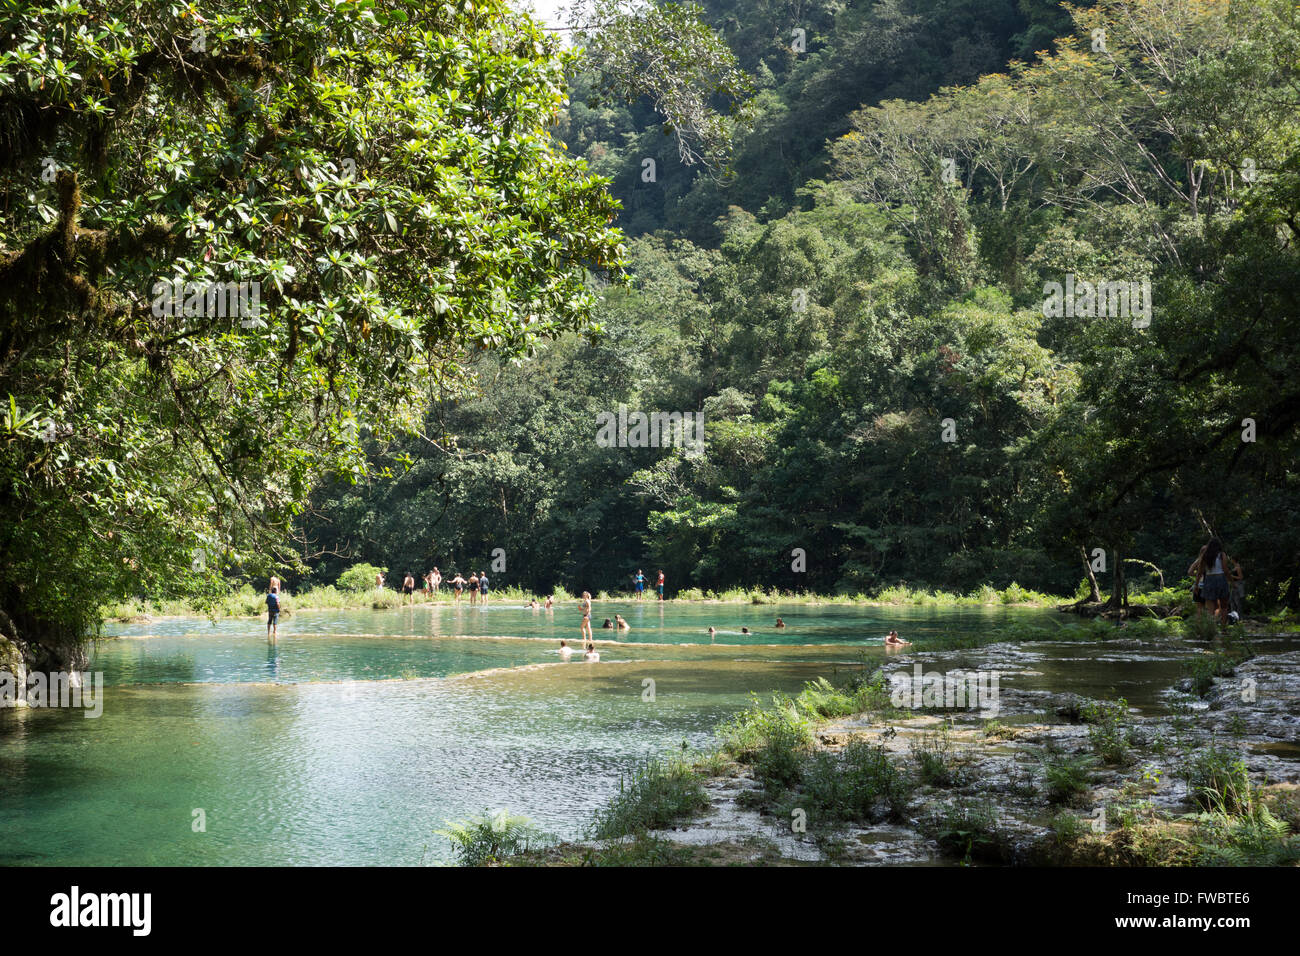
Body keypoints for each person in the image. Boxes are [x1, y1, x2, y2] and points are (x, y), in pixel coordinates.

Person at [1199, 538, 1233, 626]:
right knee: (1224, 607)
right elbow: (1225, 569)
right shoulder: (1222, 555)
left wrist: (1196, 585)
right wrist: (1231, 581)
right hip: (1221, 579)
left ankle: (1211, 628)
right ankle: (1223, 628)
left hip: (1209, 580)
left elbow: (1200, 571)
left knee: (1211, 608)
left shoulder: (1205, 555)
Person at [1187, 546, 1207, 618]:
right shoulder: (1211, 561)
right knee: (1211, 608)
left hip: (1198, 586)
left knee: (1199, 608)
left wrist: (1198, 574)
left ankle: (1198, 626)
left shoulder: (1198, 560)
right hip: (1209, 586)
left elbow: (1189, 572)